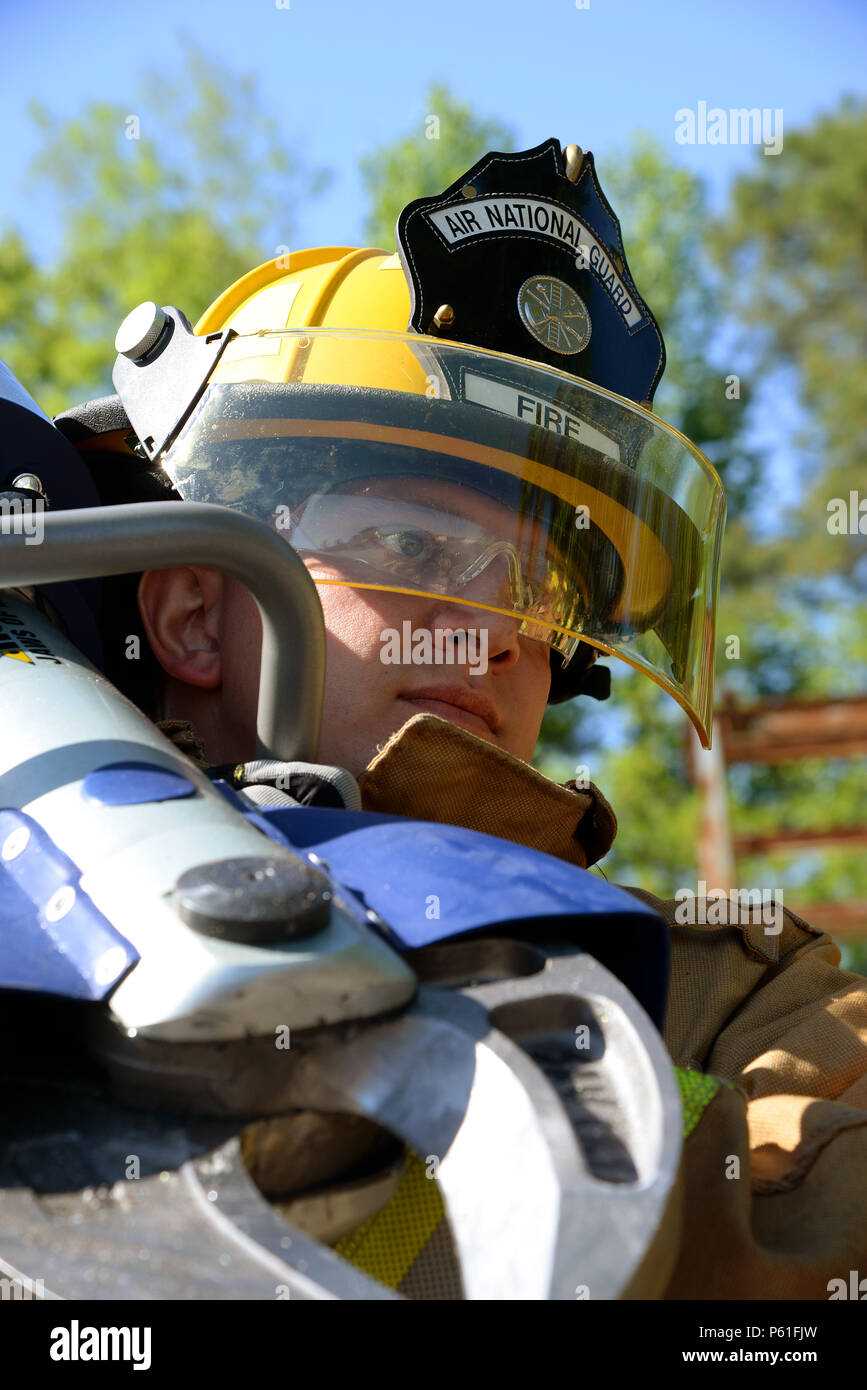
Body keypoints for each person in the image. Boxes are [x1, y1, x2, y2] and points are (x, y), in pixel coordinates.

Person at [52, 140, 867, 1299]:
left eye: (539, 597)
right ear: (193, 610)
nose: (489, 636)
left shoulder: (726, 996)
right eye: (411, 549)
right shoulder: (37, 919)